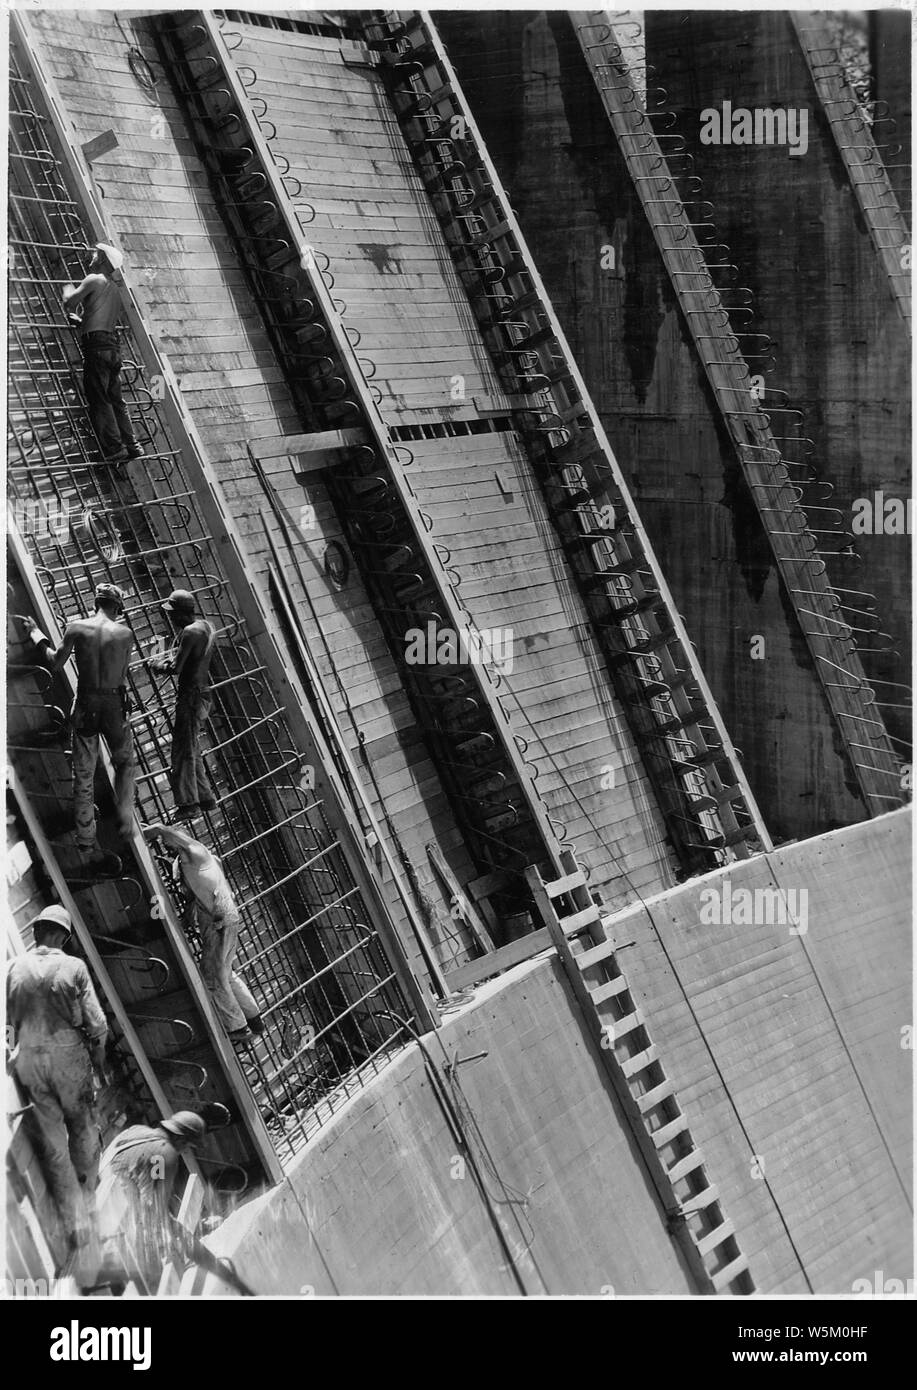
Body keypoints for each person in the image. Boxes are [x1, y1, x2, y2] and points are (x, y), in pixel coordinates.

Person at [6, 905, 109, 1248]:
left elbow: (7, 1027)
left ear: (36, 932)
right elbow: (97, 1026)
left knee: (54, 1148)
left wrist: (15, 1052)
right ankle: (90, 1205)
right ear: (62, 937)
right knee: (82, 1129)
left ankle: (76, 1226)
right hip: (69, 1058)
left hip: (30, 1062)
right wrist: (99, 1061)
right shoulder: (73, 967)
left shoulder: (12, 969)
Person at [23, 582, 136, 875]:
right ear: (118, 607)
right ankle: (126, 818)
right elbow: (123, 676)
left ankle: (86, 839)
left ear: (95, 602)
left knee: (84, 776)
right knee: (124, 762)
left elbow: (56, 663)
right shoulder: (125, 634)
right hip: (113, 706)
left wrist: (37, 634)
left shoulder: (76, 627)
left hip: (85, 703)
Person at [142, 822, 264, 1038]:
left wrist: (159, 829)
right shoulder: (189, 864)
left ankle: (237, 1027)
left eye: (170, 843)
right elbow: (192, 899)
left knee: (212, 977)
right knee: (225, 972)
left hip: (220, 917)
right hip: (218, 918)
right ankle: (254, 1018)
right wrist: (187, 921)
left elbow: (173, 835)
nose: (167, 847)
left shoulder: (198, 851)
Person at [95, 1110, 207, 1289]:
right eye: (187, 1147)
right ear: (180, 1140)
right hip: (116, 1220)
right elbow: (152, 1209)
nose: (184, 1151)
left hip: (97, 1198)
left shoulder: (136, 1131)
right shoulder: (164, 1153)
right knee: (154, 1265)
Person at [62, 243, 144, 464]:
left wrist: (67, 288)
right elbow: (98, 320)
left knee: (99, 398)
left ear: (103, 260)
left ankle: (115, 449)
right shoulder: (116, 290)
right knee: (115, 399)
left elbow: (69, 302)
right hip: (111, 347)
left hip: (96, 347)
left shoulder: (94, 279)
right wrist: (81, 322)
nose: (92, 256)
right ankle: (132, 444)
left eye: (97, 254)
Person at [150, 589, 217, 819]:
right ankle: (206, 798)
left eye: (172, 613)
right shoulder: (206, 627)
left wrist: (157, 664)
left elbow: (176, 668)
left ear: (179, 613)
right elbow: (191, 658)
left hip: (190, 696)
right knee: (193, 748)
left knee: (182, 751)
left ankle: (189, 805)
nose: (170, 618)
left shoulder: (188, 632)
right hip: (203, 693)